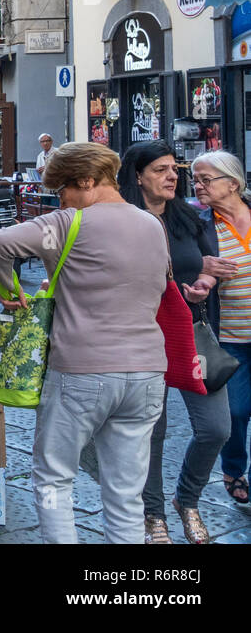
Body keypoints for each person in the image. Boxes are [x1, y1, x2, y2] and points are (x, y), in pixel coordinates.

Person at [0, 142, 167, 544]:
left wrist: (7, 287)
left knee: (53, 477)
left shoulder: (67, 222)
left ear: (86, 180)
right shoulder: (151, 224)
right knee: (125, 493)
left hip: (81, 369)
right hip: (147, 372)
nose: (62, 199)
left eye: (63, 189)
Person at [120, 142, 228, 544]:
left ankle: (188, 498)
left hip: (192, 332)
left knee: (216, 428)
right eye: (160, 169)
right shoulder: (122, 221)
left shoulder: (190, 217)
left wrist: (204, 283)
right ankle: (153, 515)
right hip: (140, 336)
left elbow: (210, 265)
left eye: (173, 169)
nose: (172, 176)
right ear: (137, 175)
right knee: (152, 431)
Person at [190, 150, 251, 510]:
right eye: (195, 180)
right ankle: (233, 470)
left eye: (205, 179)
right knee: (237, 411)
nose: (198, 186)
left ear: (233, 183)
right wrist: (203, 274)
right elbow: (189, 265)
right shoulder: (200, 224)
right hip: (229, 337)